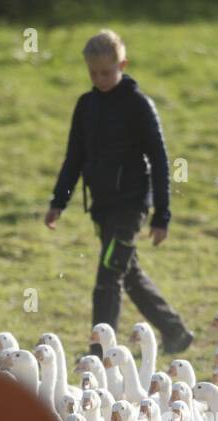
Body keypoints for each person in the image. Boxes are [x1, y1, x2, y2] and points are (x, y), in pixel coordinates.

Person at [45, 29, 193, 355]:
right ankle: (175, 331)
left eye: (106, 72)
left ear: (122, 64)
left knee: (107, 279)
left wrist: (162, 215)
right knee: (129, 275)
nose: (99, 78)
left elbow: (159, 160)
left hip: (131, 206)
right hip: (101, 207)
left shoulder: (139, 106)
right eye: (92, 73)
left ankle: (101, 354)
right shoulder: (86, 106)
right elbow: (75, 157)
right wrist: (59, 201)